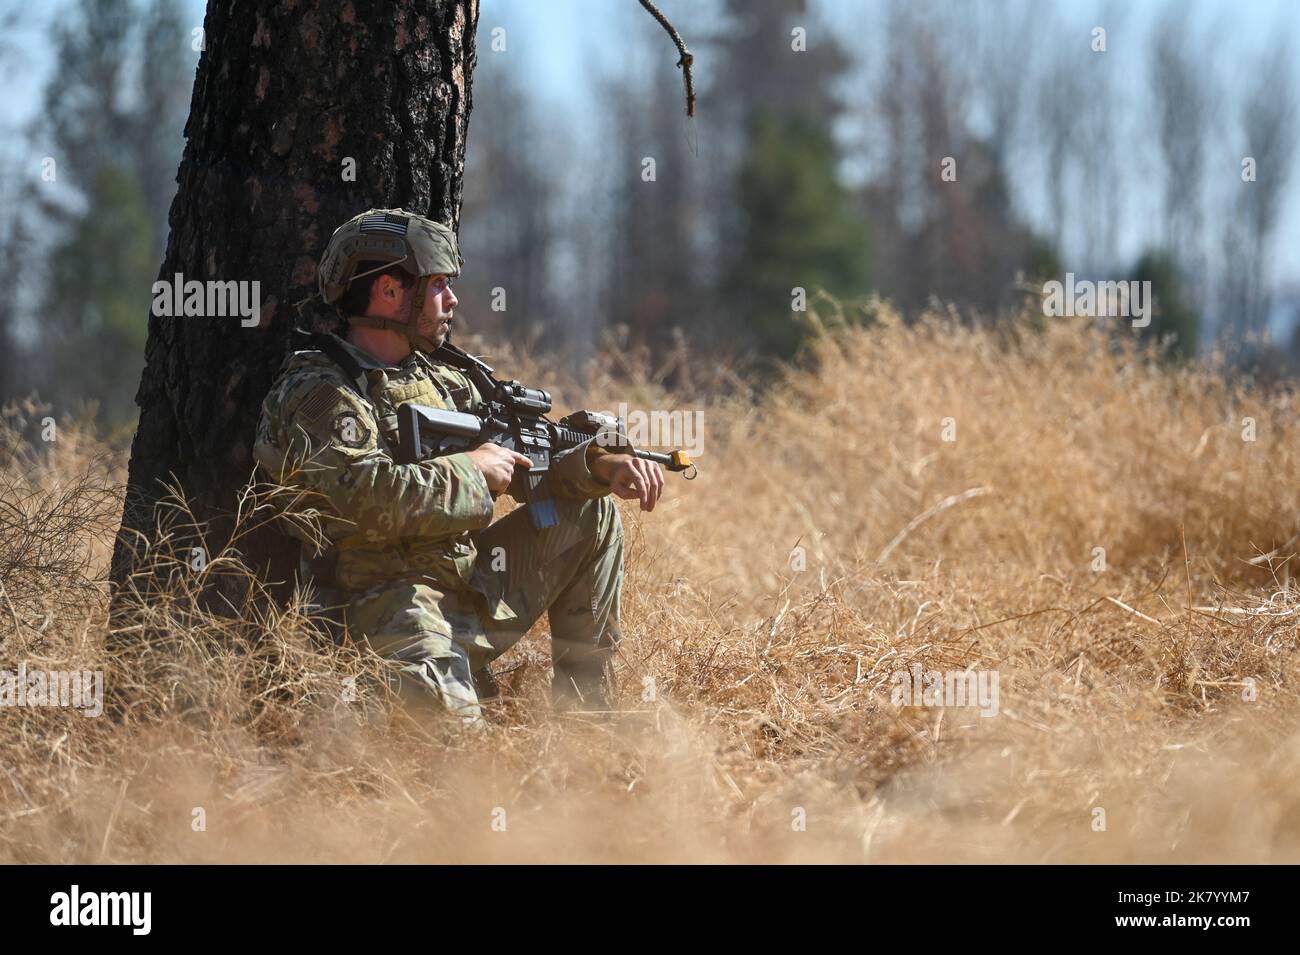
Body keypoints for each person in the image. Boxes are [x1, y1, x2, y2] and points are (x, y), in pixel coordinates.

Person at [253, 208, 664, 726]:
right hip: (382, 600)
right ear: (388, 292)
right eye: (440, 286)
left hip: (467, 579)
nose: (452, 301)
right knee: (450, 746)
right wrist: (471, 471)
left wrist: (599, 465)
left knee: (592, 517)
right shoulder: (320, 393)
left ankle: (588, 724)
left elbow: (526, 450)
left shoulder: (445, 380)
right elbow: (363, 498)